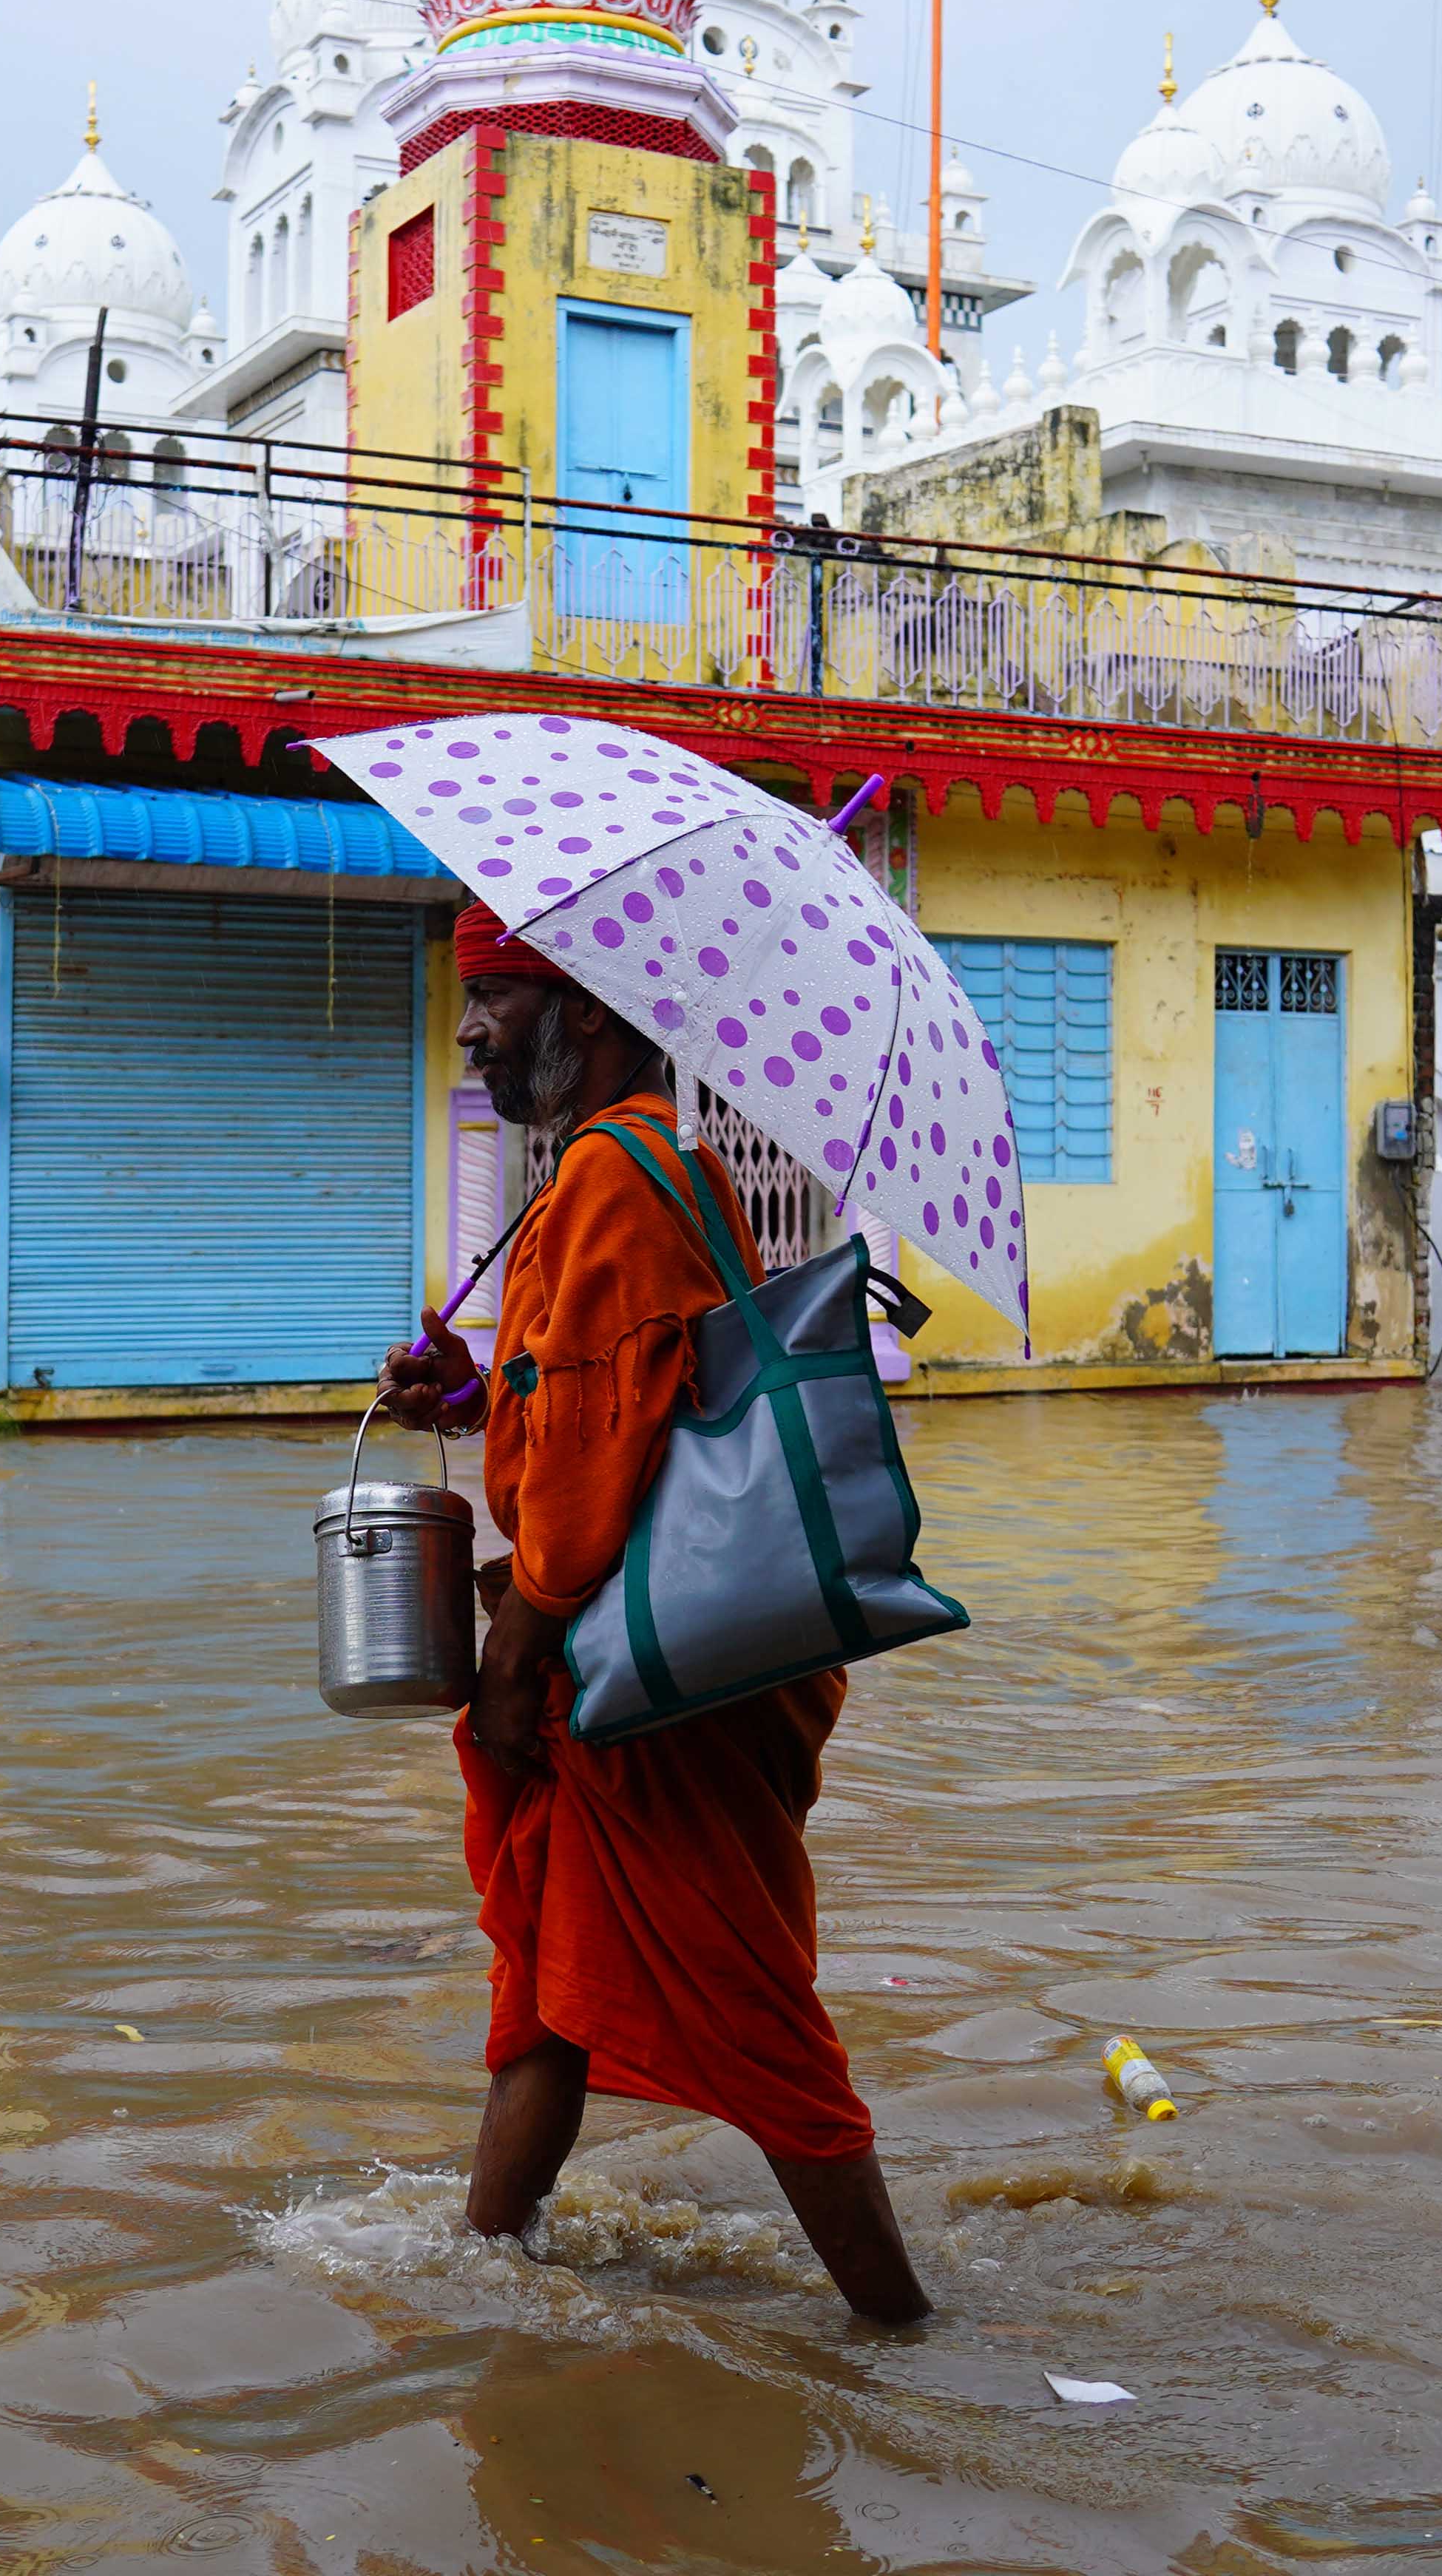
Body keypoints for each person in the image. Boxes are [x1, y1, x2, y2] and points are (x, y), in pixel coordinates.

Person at [377, 903, 931, 2327]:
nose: (470, 1030)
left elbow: (582, 1481)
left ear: (589, 1010)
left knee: (756, 2019)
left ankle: (903, 2337)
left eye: (497, 997)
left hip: (647, 1688)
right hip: (640, 1656)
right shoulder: (621, 1169)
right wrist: (475, 1393)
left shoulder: (617, 1181)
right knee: (546, 1997)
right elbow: (624, 1397)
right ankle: (481, 2286)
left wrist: (513, 1657)